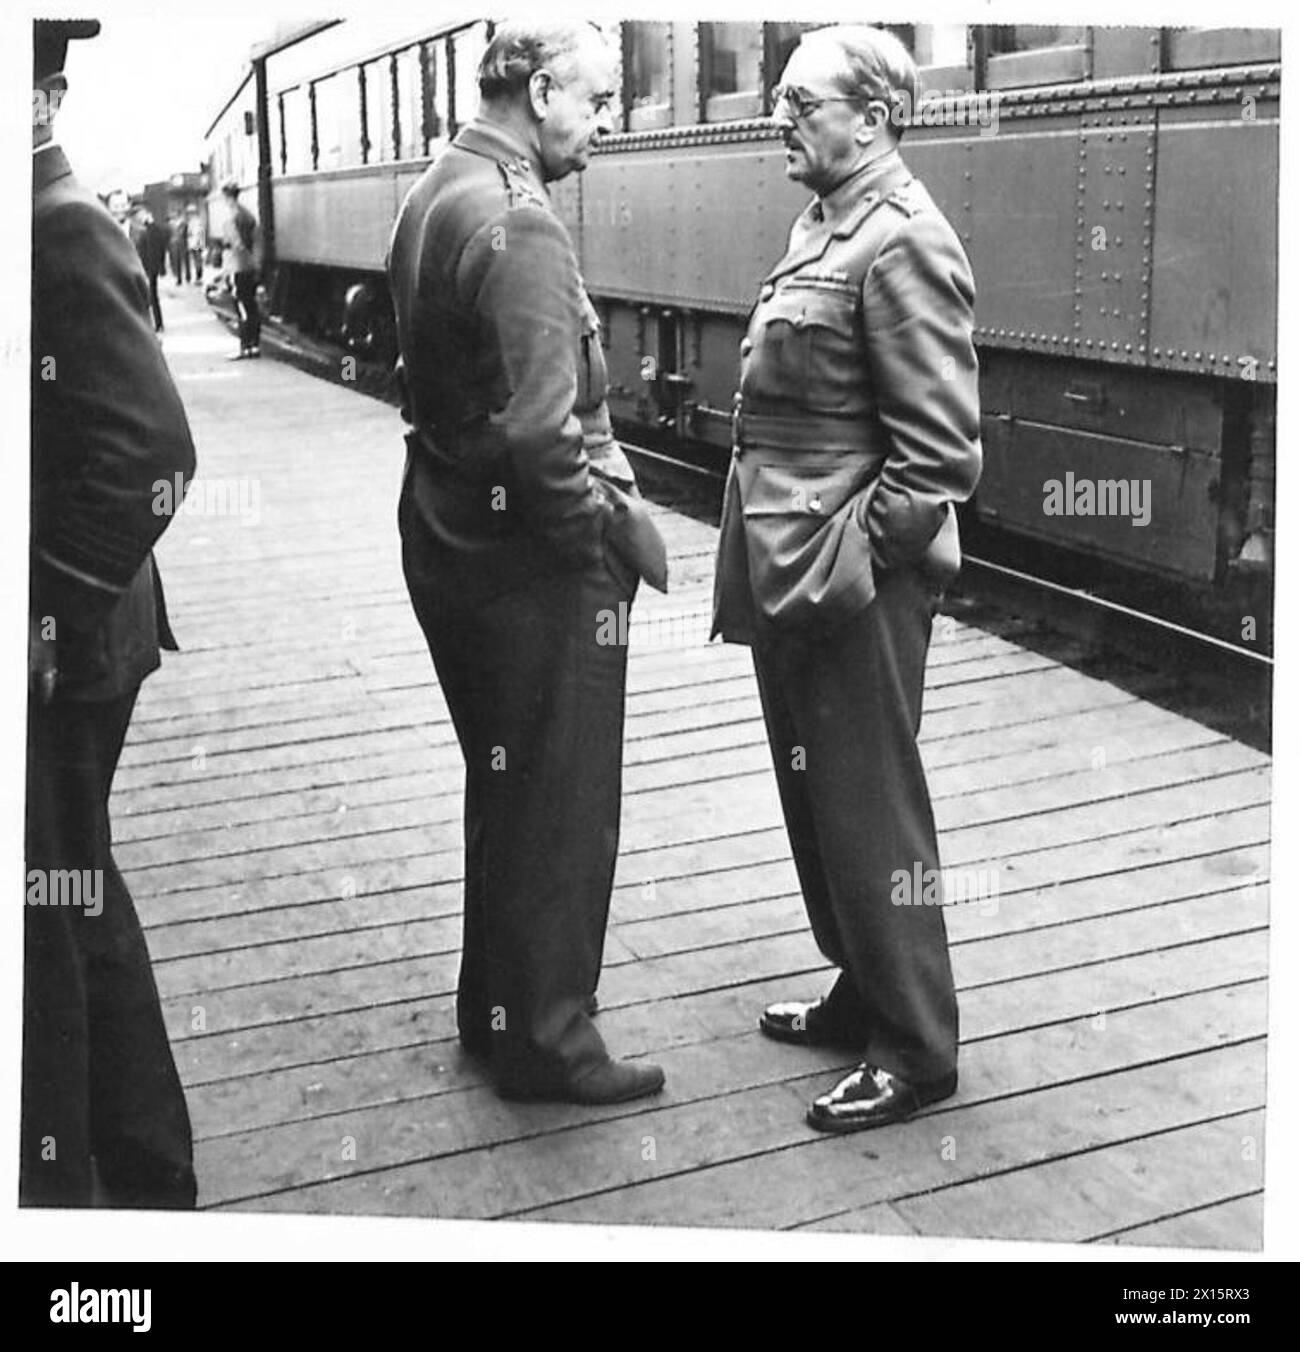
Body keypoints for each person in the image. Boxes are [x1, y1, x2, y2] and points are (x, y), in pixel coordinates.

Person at [388, 19, 669, 1105]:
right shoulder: (523, 222)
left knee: (503, 780)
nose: (602, 125)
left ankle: (493, 1010)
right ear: (542, 89)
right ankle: (549, 1043)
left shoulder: (434, 189)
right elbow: (546, 439)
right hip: (527, 564)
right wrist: (590, 561)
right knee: (556, 795)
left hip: (447, 534)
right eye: (595, 103)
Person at [712, 25, 982, 1133]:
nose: (783, 116)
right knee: (814, 790)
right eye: (781, 99)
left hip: (848, 576)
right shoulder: (824, 217)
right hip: (792, 558)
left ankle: (914, 1046)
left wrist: (859, 559)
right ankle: (859, 981)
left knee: (870, 806)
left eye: (802, 101)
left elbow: (937, 453)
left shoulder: (904, 241)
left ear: (872, 117)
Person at [26, 18, 198, 1208]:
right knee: (70, 879)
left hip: (70, 638)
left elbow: (152, 451)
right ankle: (130, 1160)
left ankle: (105, 1177)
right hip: (77, 627)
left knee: (58, 891)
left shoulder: (59, 228)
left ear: (38, 97)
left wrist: (45, 613)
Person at [221, 180, 260, 357]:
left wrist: (226, 270)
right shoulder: (248, 215)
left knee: (242, 306)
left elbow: (235, 242)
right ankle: (254, 344)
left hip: (238, 265)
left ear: (227, 196)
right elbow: (256, 239)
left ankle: (245, 346)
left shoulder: (231, 216)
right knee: (252, 305)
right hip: (250, 264)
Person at [129, 206, 168, 332]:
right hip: (151, 266)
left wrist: (157, 267)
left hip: (150, 267)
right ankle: (157, 323)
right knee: (151, 295)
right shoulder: (150, 229)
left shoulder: (150, 229)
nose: (139, 218)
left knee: (151, 295)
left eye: (141, 215)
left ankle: (157, 323)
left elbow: (155, 249)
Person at [167, 211, 189, 286]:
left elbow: (182, 233)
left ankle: (188, 276)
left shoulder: (183, 224)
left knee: (185, 261)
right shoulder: (172, 224)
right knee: (178, 262)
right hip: (175, 245)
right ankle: (179, 279)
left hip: (183, 244)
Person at [185, 204, 206, 283]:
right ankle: (198, 276)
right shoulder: (192, 221)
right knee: (196, 261)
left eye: (190, 213)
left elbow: (197, 233)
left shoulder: (197, 221)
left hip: (196, 244)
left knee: (198, 261)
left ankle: (199, 277)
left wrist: (197, 244)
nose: (189, 215)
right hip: (194, 244)